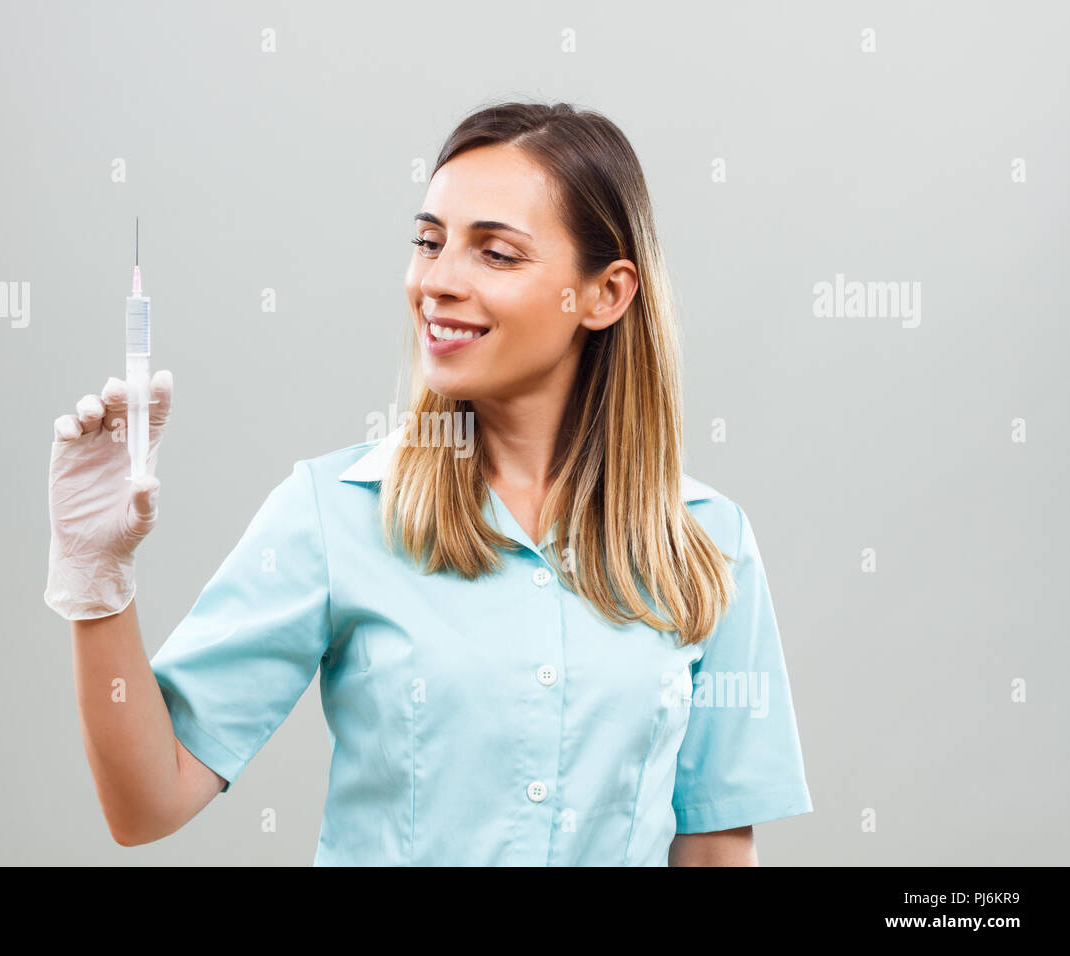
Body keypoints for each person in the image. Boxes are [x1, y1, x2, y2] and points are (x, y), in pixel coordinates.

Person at [44, 101, 813, 866]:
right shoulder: (335, 514)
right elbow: (145, 803)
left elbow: (713, 852)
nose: (436, 282)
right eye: (429, 242)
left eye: (496, 254)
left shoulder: (707, 544)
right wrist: (95, 579)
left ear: (605, 295)